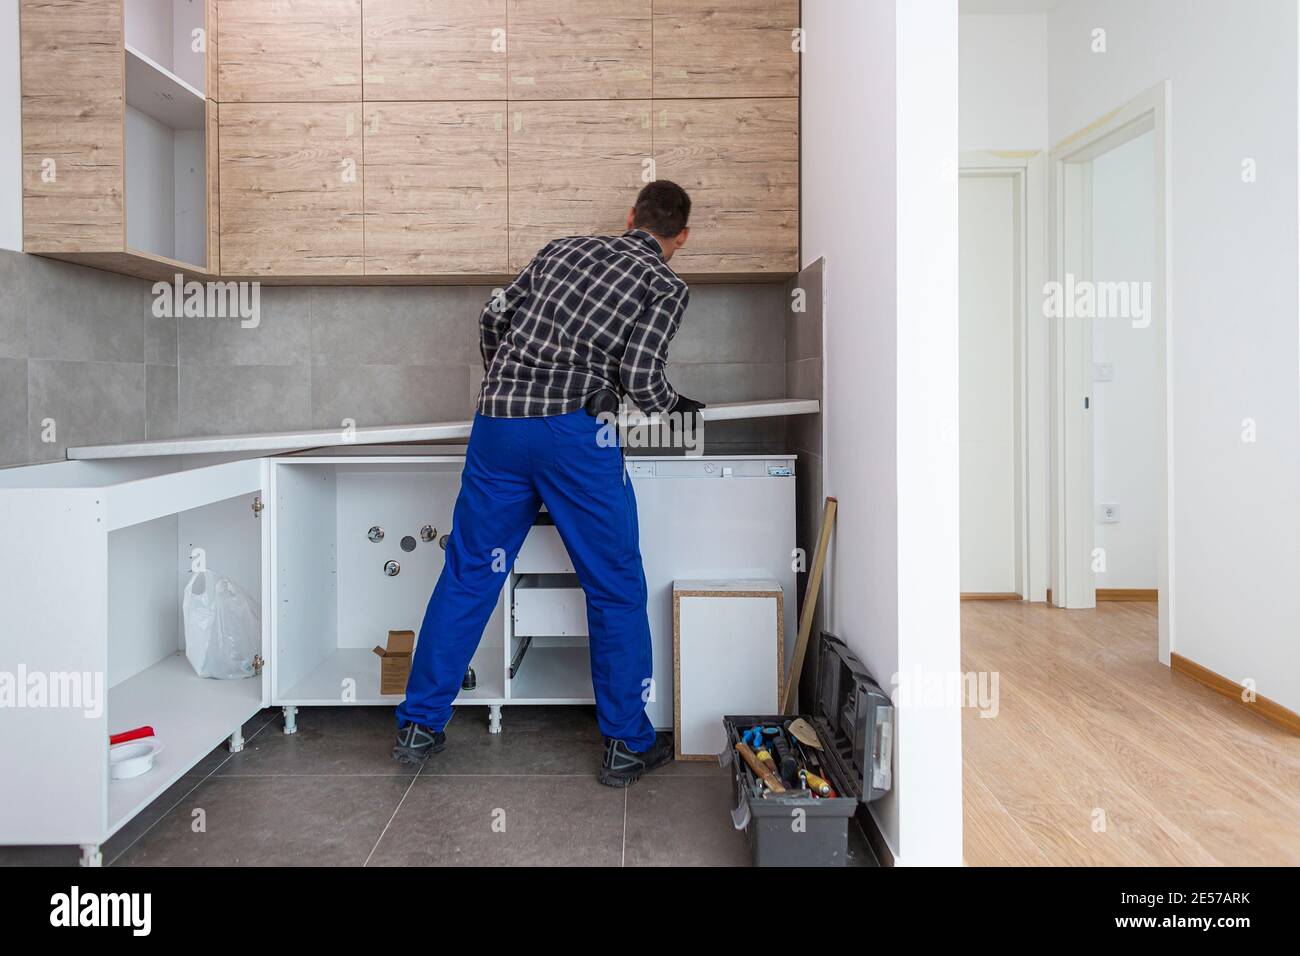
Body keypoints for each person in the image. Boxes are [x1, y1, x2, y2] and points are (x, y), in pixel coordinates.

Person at [392, 180, 705, 787]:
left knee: (469, 573)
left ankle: (418, 726)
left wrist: (504, 384)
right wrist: (680, 409)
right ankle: (625, 745)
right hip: (574, 436)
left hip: (498, 426)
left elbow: (492, 316)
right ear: (681, 238)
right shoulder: (665, 283)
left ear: (629, 215)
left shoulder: (559, 249)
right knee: (614, 585)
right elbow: (642, 377)